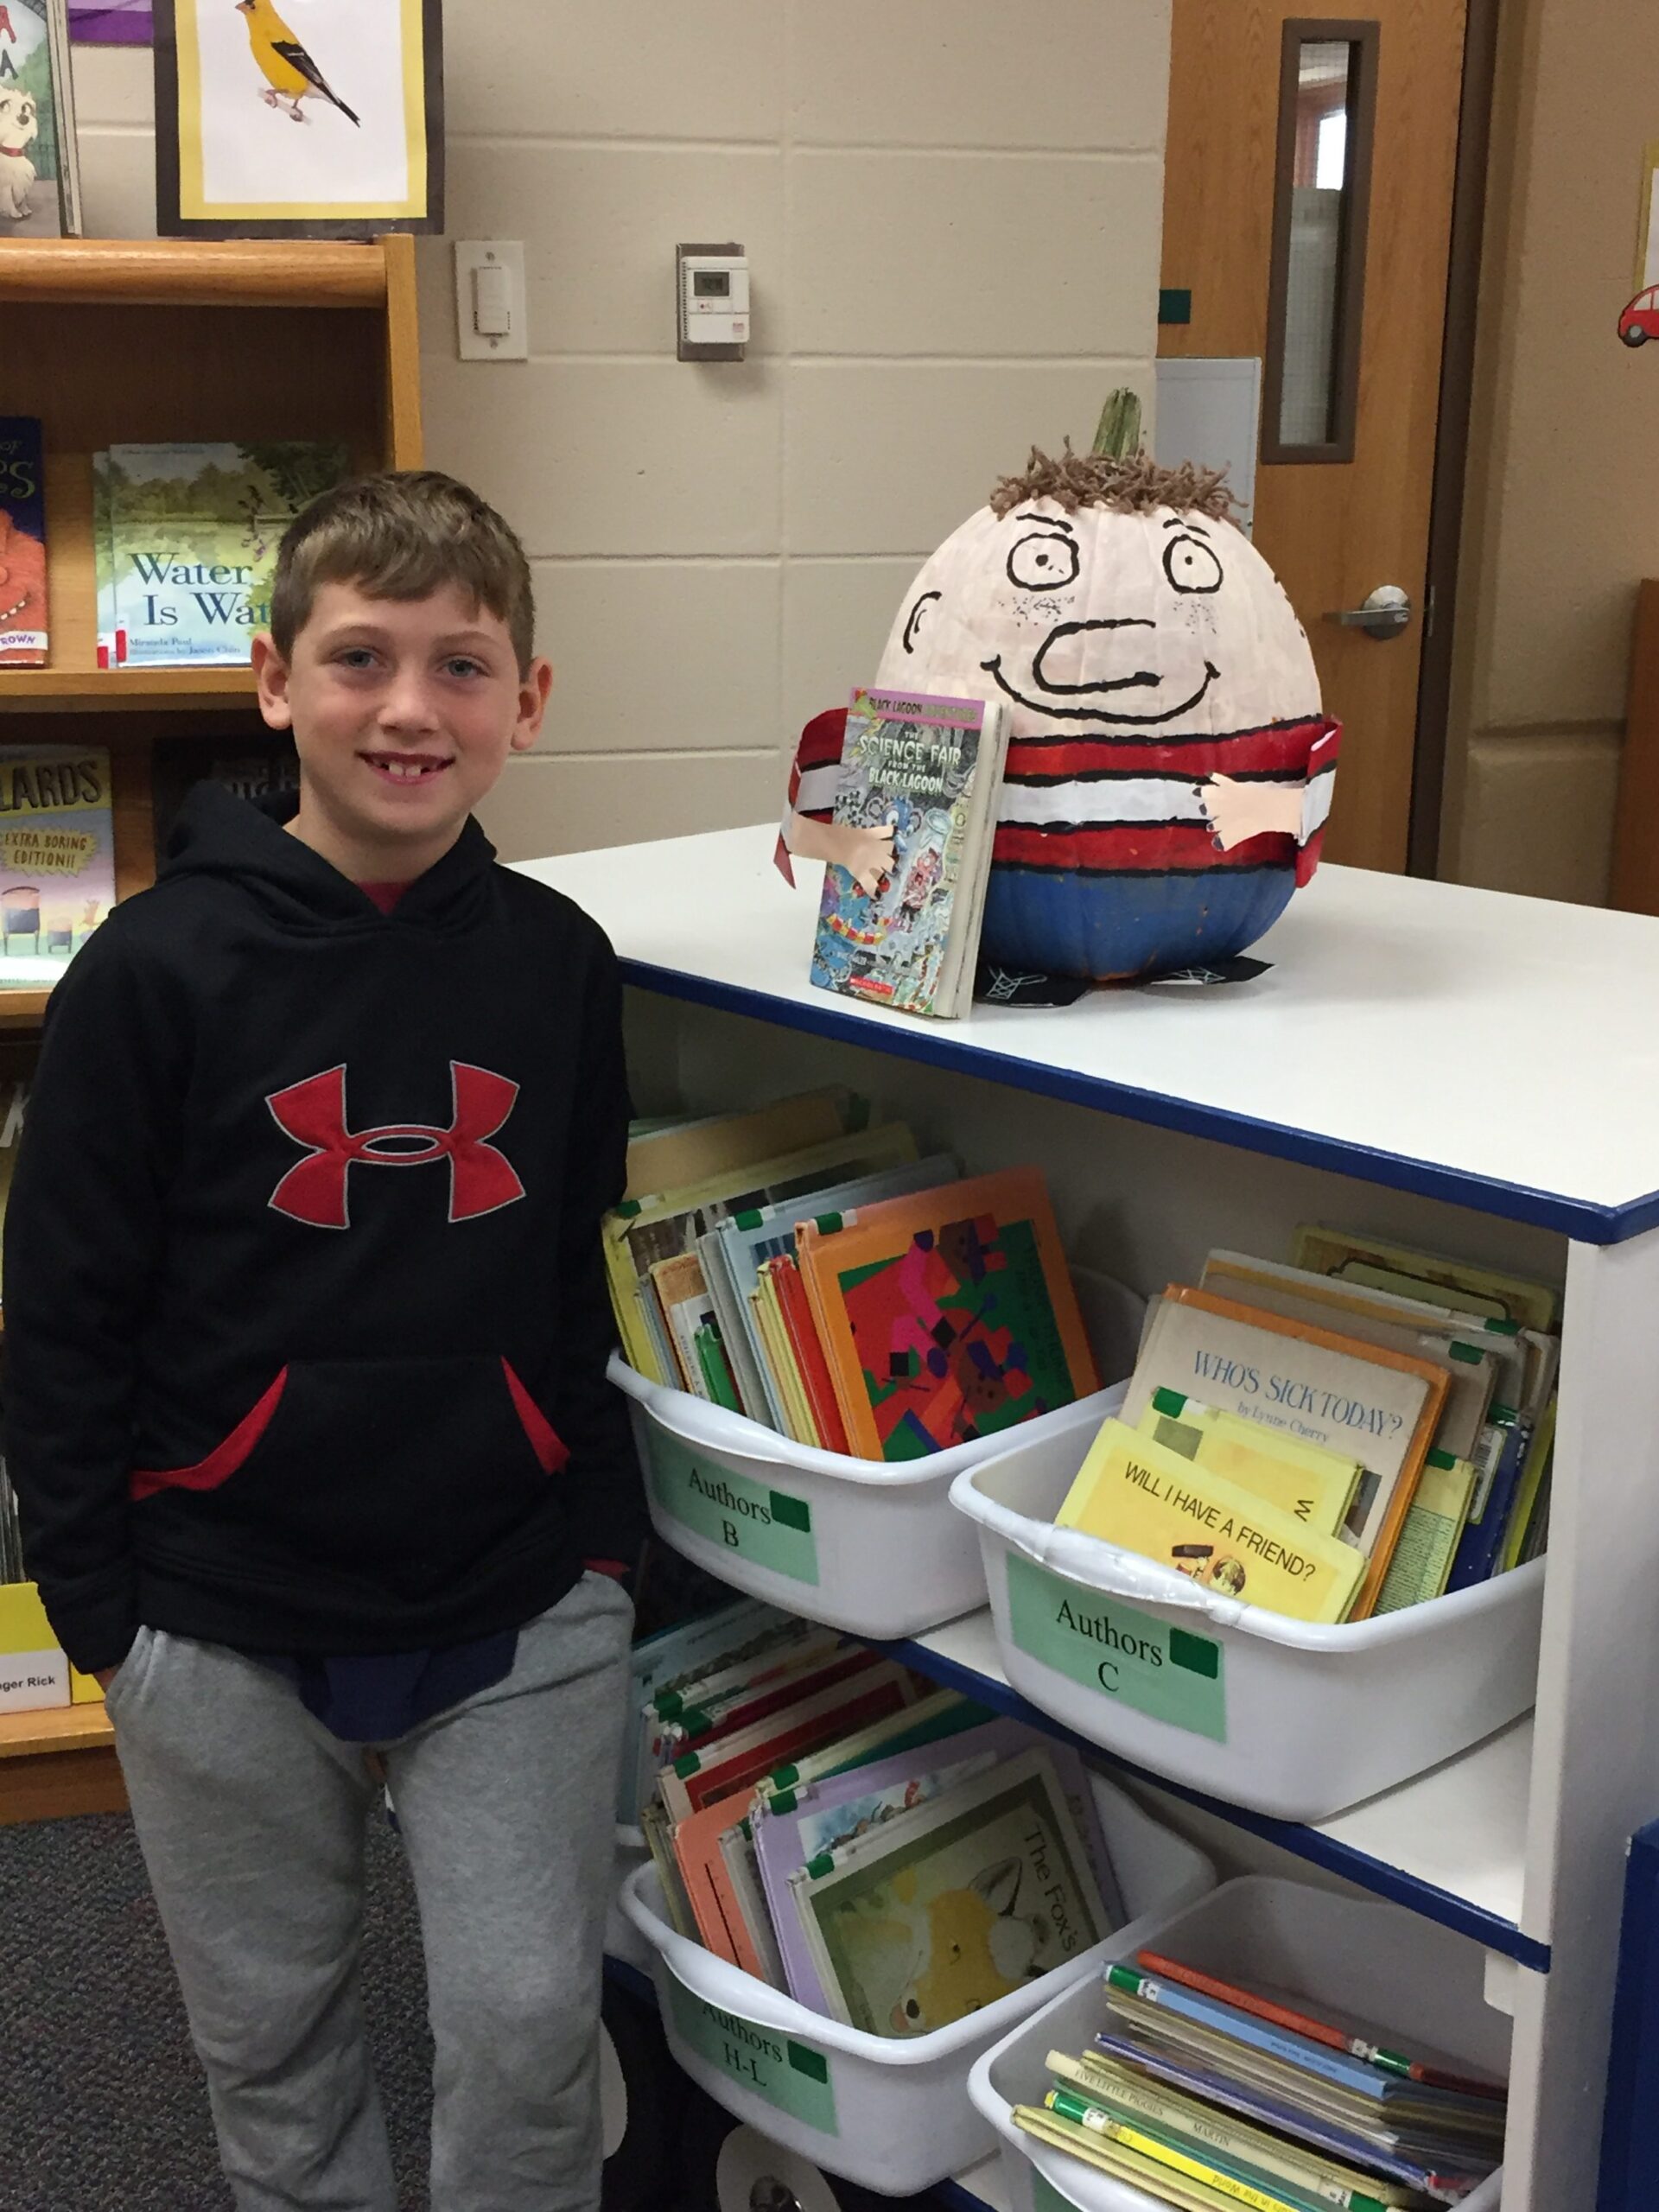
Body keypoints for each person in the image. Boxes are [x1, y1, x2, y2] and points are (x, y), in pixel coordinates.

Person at [3, 471, 644, 2212]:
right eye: (362, 657)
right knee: (273, 2046)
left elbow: (581, 1260)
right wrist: (101, 1612)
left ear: (529, 699)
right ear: (279, 681)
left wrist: (596, 1544)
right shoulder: (150, 970)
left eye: (461, 663)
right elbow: (60, 1308)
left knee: (526, 2024)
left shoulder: (563, 964)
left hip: (515, 1584)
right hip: (208, 1603)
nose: (411, 707)